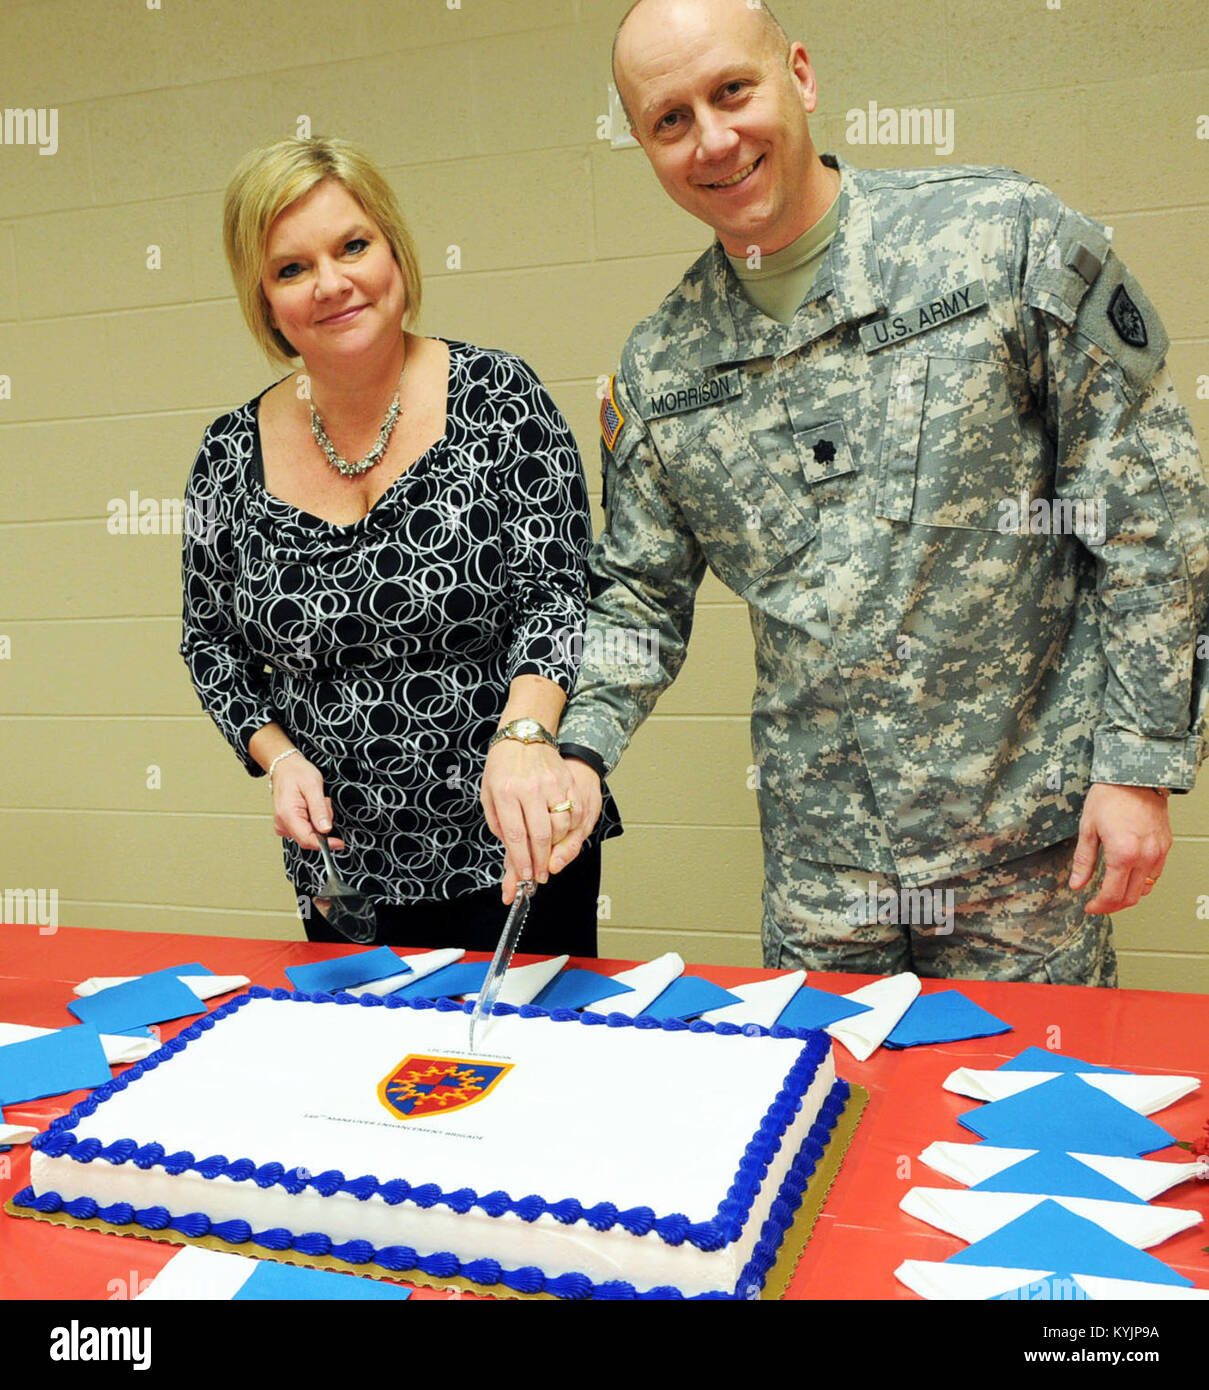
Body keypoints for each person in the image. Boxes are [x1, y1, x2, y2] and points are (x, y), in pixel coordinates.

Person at [548, 0, 1209, 984]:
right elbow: (641, 595)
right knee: (831, 1111)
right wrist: (578, 747)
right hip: (826, 873)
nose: (714, 139)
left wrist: (1140, 759)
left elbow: (1150, 505)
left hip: (1027, 848)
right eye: (670, 119)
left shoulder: (1001, 241)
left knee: (1024, 1111)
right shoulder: (662, 367)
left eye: (733, 90)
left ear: (801, 77)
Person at [180, 136, 620, 953]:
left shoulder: (499, 399)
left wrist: (525, 737)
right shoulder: (226, 454)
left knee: (528, 1067)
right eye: (291, 268)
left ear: (394, 251)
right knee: (363, 1076)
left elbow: (558, 594)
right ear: (265, 300)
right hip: (344, 873)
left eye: (353, 246)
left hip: (517, 844)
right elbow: (208, 641)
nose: (332, 283)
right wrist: (277, 761)